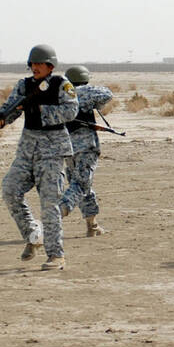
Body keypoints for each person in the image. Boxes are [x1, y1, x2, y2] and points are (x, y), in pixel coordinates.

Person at [0, 43, 78, 270]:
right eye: (32, 64)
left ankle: (56, 255)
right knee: (10, 189)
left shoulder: (61, 84)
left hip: (53, 151)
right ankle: (33, 233)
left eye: (39, 64)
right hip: (27, 150)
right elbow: (11, 108)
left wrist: (41, 110)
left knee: (49, 204)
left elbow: (71, 110)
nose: (35, 67)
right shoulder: (23, 86)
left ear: (50, 66)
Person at [58, 65, 114, 237]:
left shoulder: (61, 95)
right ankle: (60, 211)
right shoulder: (83, 91)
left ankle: (93, 225)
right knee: (81, 184)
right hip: (86, 147)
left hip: (67, 147)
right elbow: (107, 94)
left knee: (83, 184)